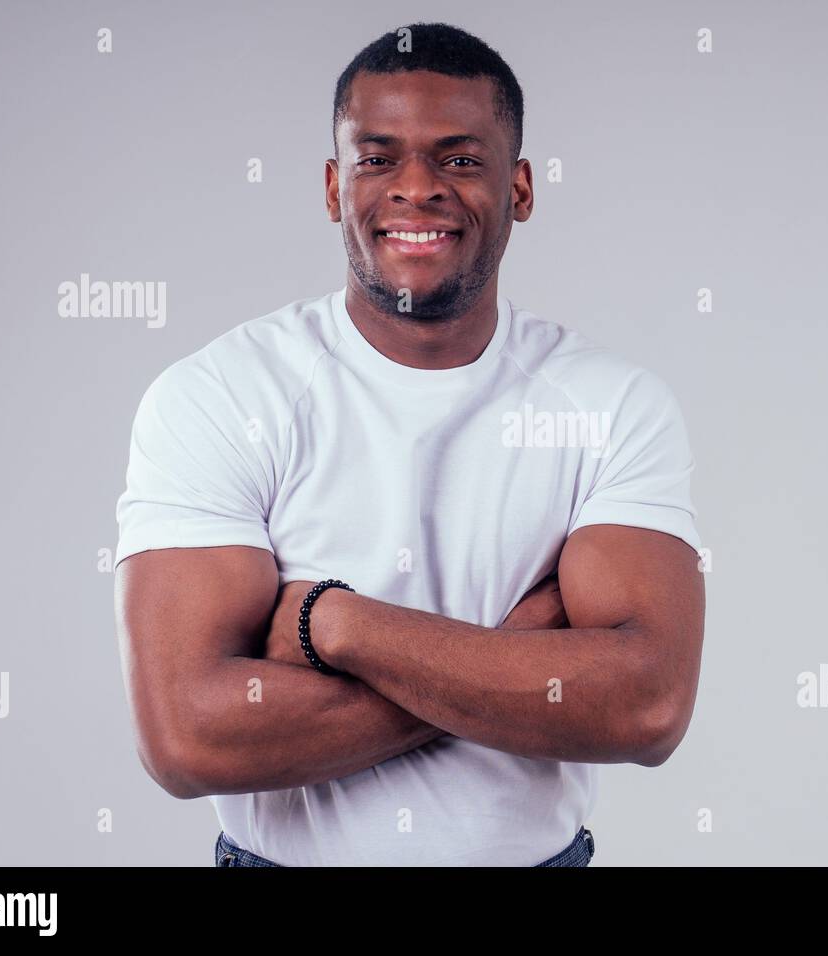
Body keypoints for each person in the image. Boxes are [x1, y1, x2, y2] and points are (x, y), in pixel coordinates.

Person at [113, 21, 705, 867]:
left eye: (460, 159)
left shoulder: (610, 404)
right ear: (332, 186)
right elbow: (186, 740)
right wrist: (516, 653)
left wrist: (336, 623)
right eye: (377, 157)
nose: (416, 188)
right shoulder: (218, 396)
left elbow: (645, 708)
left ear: (522, 187)